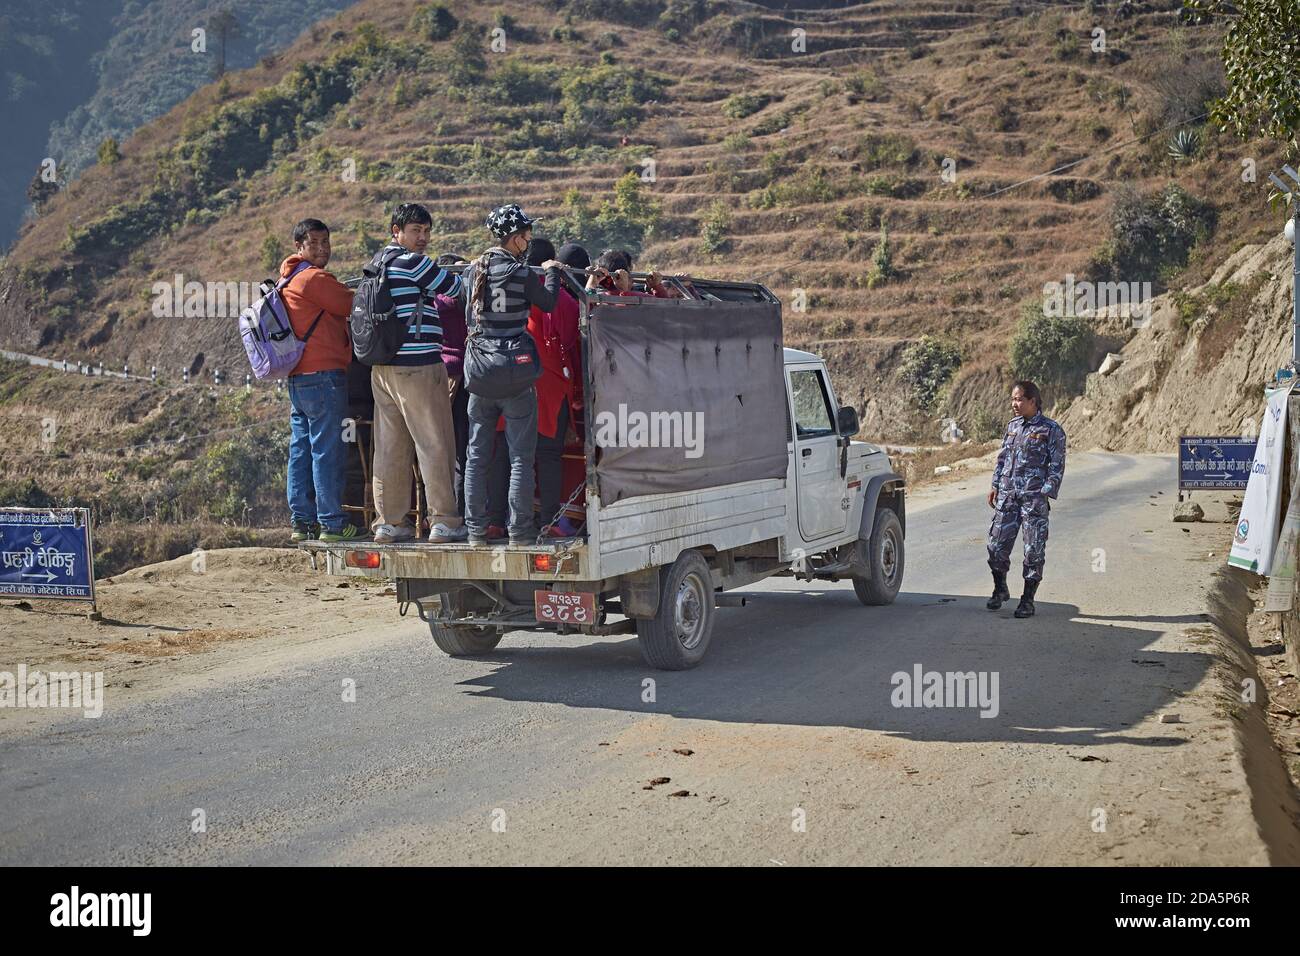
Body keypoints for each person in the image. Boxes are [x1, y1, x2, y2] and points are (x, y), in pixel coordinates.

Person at [461, 204, 563, 545]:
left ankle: (476, 532)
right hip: (516, 375)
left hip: (481, 374)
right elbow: (548, 303)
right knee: (521, 456)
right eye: (527, 234)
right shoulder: (522, 273)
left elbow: (468, 319)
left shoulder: (474, 271)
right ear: (515, 238)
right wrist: (551, 270)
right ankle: (519, 532)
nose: (530, 239)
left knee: (477, 457)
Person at [368, 203, 464, 544]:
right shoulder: (415, 263)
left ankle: (390, 523)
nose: (422, 238)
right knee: (435, 443)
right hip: (419, 365)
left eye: (426, 231)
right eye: (415, 231)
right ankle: (445, 521)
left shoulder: (375, 264)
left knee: (390, 449)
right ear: (397, 231)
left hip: (382, 369)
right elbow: (456, 289)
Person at [485, 237, 582, 538]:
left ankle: (495, 520)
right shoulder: (566, 301)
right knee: (548, 455)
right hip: (551, 385)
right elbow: (570, 343)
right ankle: (548, 521)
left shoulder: (508, 288)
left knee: (504, 452)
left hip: (510, 378)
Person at [280, 218, 358, 543]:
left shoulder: (288, 279)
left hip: (299, 378)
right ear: (299, 246)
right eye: (314, 243)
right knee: (327, 450)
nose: (322, 248)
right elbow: (351, 303)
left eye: (326, 242)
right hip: (325, 375)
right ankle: (333, 523)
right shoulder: (314, 279)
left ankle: (303, 521)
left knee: (301, 449)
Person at [986, 380, 1066, 618]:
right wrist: (994, 485)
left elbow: (1057, 465)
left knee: (1033, 552)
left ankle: (1028, 600)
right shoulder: (1012, 427)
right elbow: (1002, 460)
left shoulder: (1051, 430)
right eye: (1013, 399)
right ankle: (1000, 589)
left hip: (1033, 501)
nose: (1015, 404)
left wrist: (1045, 492)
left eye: (1019, 399)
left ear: (1033, 401)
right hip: (1008, 498)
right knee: (995, 547)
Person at [435, 253, 471, 517]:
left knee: (458, 451)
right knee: (459, 451)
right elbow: (456, 301)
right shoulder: (444, 299)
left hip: (451, 375)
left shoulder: (432, 299)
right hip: (454, 376)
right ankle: (456, 510)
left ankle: (454, 510)